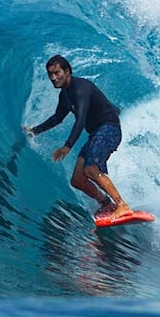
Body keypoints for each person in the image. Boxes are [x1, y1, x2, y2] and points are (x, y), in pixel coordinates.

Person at [24, 55, 133, 220]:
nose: (53, 78)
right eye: (50, 74)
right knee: (77, 180)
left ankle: (122, 205)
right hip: (96, 133)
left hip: (109, 129)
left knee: (90, 169)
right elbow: (57, 118)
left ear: (67, 72)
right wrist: (35, 131)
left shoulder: (80, 89)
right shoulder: (65, 95)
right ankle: (106, 203)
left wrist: (67, 146)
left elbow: (81, 120)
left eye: (57, 73)